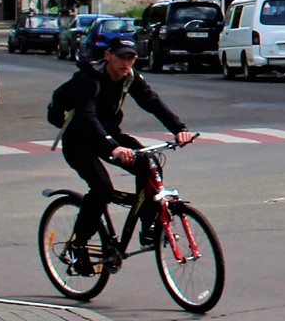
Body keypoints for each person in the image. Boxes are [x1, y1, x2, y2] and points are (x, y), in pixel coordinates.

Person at [61, 37, 192, 272]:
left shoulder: (130, 77)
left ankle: (148, 227)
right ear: (108, 56)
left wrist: (179, 129)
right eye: (121, 57)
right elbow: (87, 117)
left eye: (130, 58)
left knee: (149, 166)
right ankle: (78, 245)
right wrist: (113, 148)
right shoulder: (87, 79)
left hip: (109, 134)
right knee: (102, 190)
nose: (126, 63)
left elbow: (152, 101)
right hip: (79, 137)